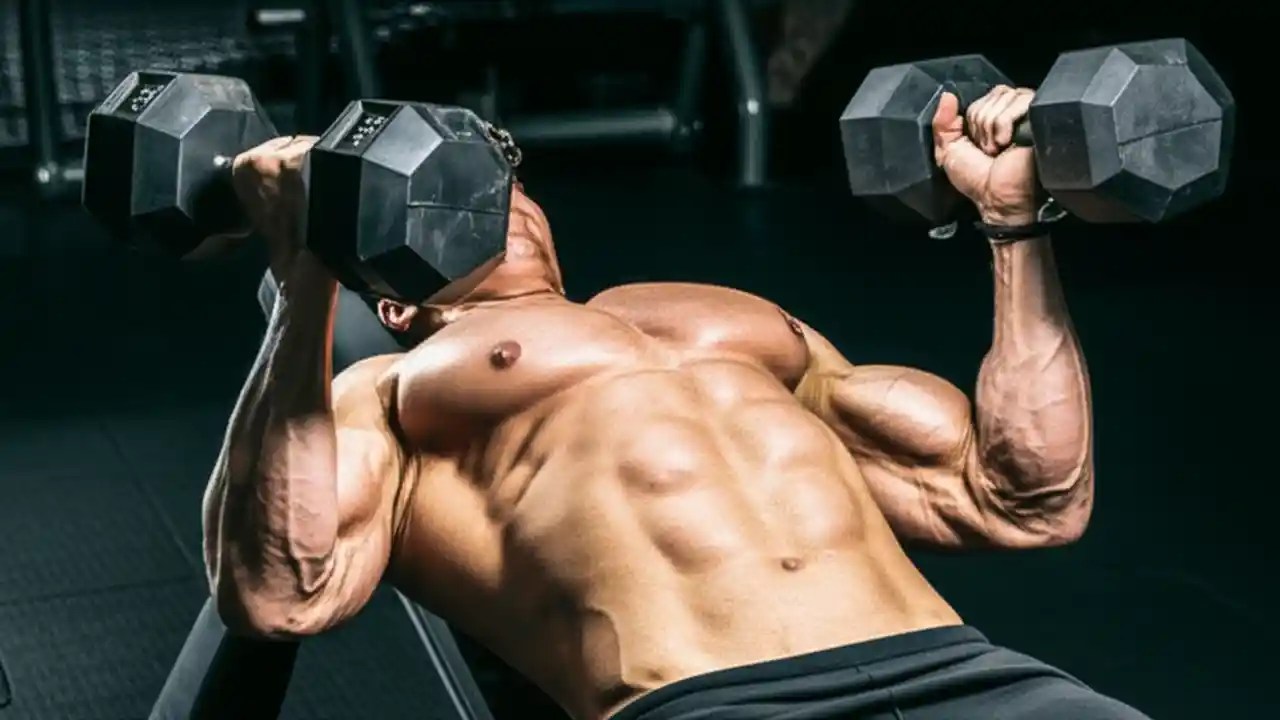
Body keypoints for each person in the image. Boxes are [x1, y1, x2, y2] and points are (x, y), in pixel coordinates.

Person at [204, 86, 1148, 720]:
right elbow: (279, 595)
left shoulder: (729, 324)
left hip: (975, 681)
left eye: (500, 181)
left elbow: (1025, 497)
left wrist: (1014, 221)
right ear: (396, 304)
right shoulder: (392, 388)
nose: (491, 200)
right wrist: (303, 279)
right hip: (721, 704)